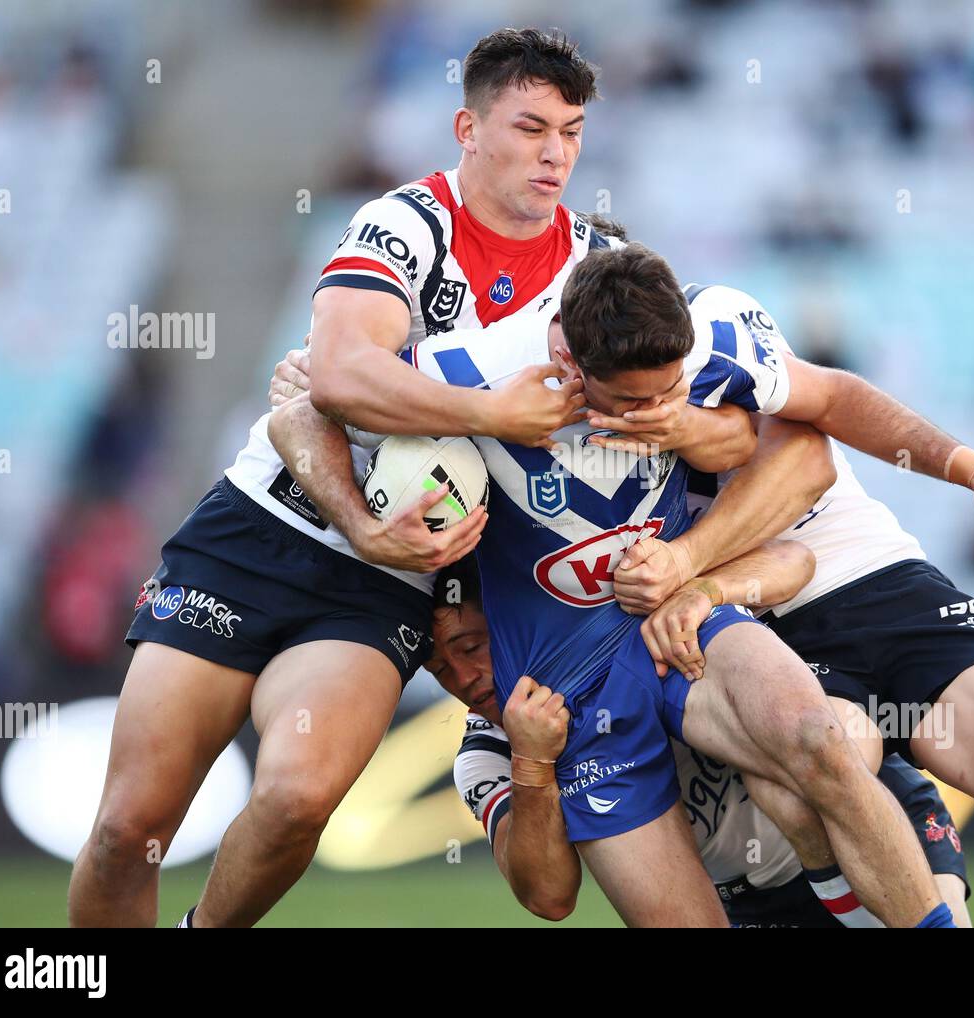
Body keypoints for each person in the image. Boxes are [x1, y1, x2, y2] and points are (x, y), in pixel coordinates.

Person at [70, 27, 683, 929]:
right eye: (530, 127)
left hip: (394, 576)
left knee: (298, 796)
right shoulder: (406, 222)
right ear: (467, 128)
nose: (555, 153)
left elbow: (654, 395)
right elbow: (336, 378)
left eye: (572, 131)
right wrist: (485, 415)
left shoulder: (591, 270)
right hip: (263, 528)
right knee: (130, 824)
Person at [270, 242, 974, 927]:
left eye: (672, 389)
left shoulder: (706, 340)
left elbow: (830, 409)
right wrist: (362, 522)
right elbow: (307, 408)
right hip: (570, 698)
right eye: (636, 401)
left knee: (821, 739)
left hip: (676, 630)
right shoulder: (472, 373)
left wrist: (973, 468)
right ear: (570, 366)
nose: (662, 410)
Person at [432, 555, 973, 927]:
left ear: (509, 624)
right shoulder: (486, 756)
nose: (462, 678)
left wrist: (704, 589)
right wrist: (533, 763)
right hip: (749, 902)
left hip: (870, 824)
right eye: (439, 668)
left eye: (472, 646)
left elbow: (794, 559)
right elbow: (546, 896)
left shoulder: (629, 623)